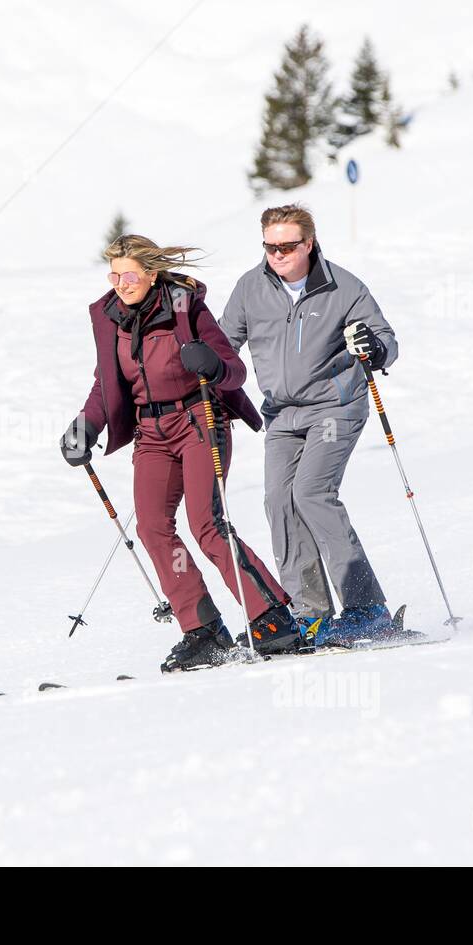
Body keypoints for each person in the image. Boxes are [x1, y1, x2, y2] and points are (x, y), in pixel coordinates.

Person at [60, 234, 303, 673]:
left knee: (206, 523)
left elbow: (233, 368)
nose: (120, 283)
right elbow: (106, 383)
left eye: (129, 274)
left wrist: (211, 363)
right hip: (150, 434)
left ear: (151, 273)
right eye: (113, 275)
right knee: (153, 527)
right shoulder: (110, 317)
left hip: (198, 421)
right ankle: (202, 629)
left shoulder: (183, 308)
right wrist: (86, 426)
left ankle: (270, 618)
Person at [219, 205, 398, 642]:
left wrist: (372, 348)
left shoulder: (343, 287)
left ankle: (365, 607)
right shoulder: (251, 287)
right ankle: (310, 610)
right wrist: (207, 363)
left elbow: (387, 342)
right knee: (279, 500)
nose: (277, 254)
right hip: (281, 413)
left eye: (287, 246)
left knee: (312, 493)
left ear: (309, 243)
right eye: (270, 246)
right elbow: (225, 343)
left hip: (335, 407)